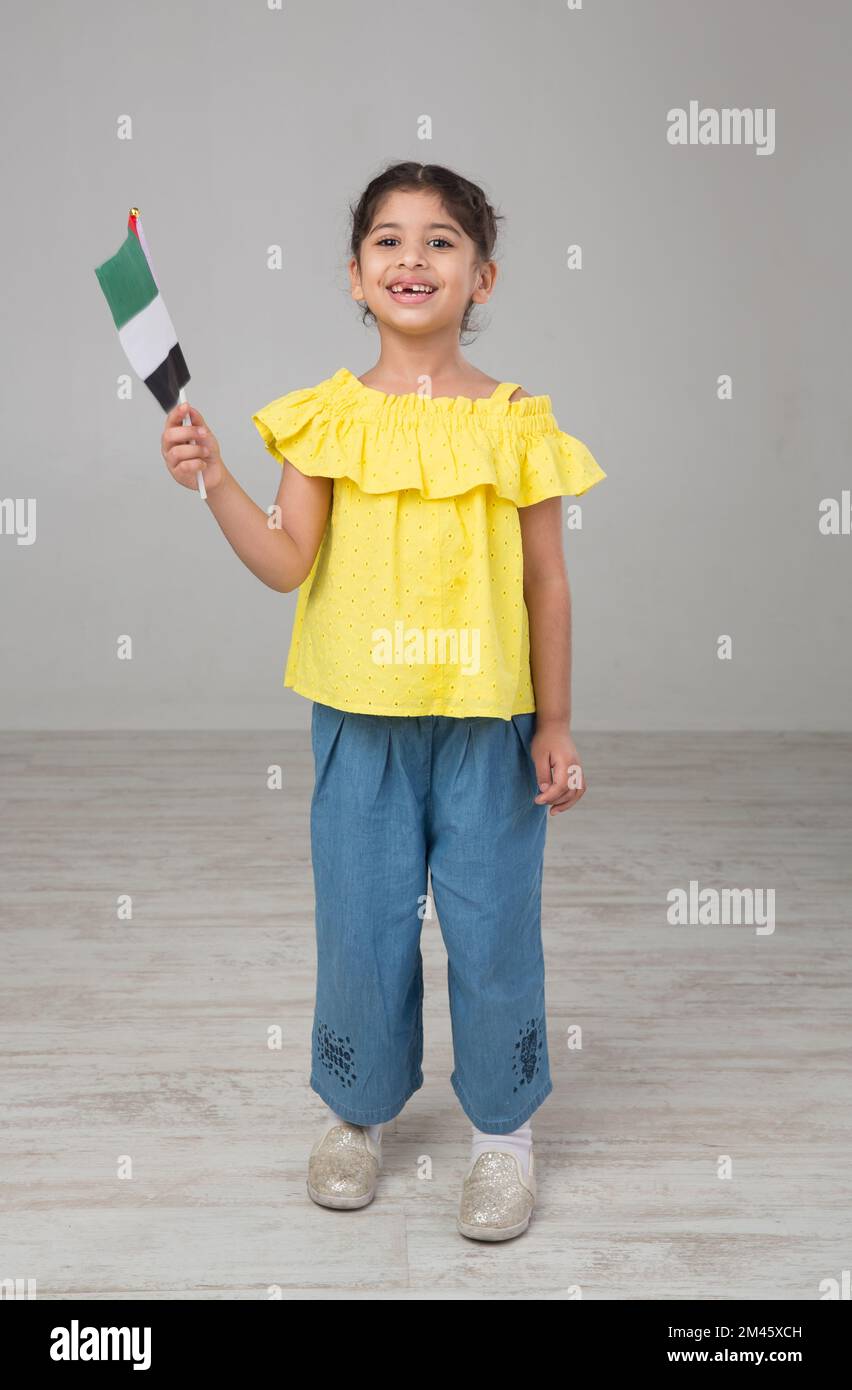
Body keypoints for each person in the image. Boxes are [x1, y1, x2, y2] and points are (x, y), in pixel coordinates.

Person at [160, 160, 606, 1241]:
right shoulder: (323, 421)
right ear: (355, 277)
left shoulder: (515, 424)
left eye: (442, 240)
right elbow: (283, 560)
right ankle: (357, 1112)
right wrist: (216, 479)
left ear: (483, 276)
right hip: (360, 723)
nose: (414, 257)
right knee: (361, 923)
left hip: (489, 724)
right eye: (389, 242)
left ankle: (503, 1134)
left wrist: (552, 719)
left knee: (494, 925)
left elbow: (547, 577)